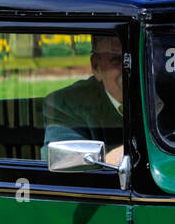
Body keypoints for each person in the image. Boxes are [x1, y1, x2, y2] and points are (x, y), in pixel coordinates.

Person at [42, 33, 126, 164]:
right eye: (118, 60)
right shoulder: (66, 104)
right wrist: (127, 154)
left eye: (143, 59)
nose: (133, 69)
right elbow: (65, 162)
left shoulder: (166, 95)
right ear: (96, 67)